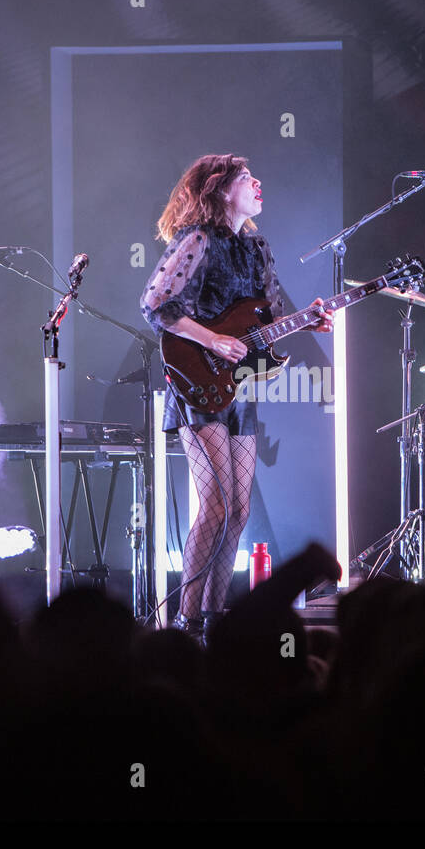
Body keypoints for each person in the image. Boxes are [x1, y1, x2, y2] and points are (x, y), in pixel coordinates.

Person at [140, 154, 331, 640]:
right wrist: (212, 340)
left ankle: (213, 617)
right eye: (248, 179)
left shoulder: (257, 245)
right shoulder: (197, 239)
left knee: (241, 510)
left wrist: (308, 316)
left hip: (239, 387)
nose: (258, 182)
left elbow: (269, 316)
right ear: (222, 190)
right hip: (196, 380)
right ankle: (184, 620)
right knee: (216, 505)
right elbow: (156, 304)